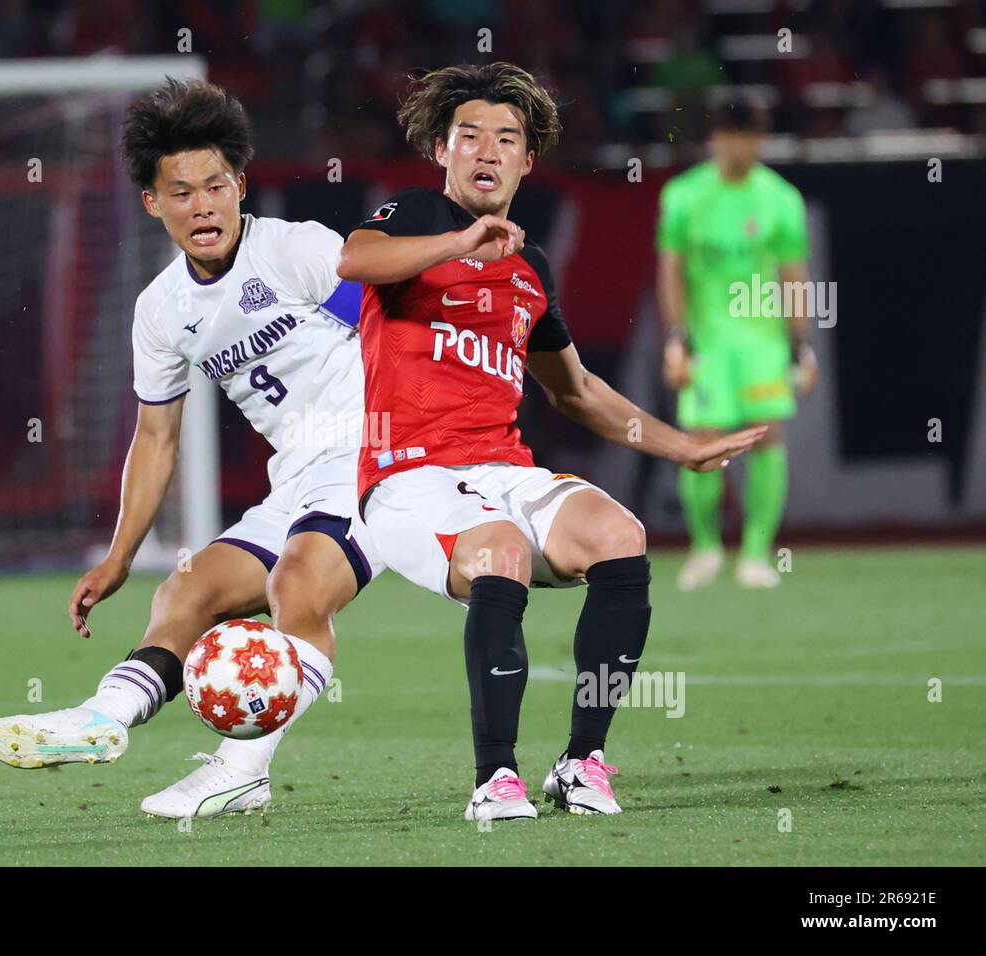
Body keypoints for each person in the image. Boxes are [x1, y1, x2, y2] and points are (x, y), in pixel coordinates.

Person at [338, 62, 764, 819]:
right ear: (442, 149)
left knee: (619, 535)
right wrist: (458, 242)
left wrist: (685, 448)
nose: (487, 151)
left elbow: (575, 392)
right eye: (469, 136)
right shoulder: (407, 217)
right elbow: (354, 261)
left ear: (527, 161)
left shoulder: (530, 268)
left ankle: (580, 762)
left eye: (507, 139)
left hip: (501, 469)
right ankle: (493, 778)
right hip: (406, 477)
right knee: (500, 546)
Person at [0, 78, 381, 818]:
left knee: (299, 587)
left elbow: (394, 323)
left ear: (240, 187)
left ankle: (242, 768)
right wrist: (120, 554)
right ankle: (101, 718)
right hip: (296, 479)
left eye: (217, 186)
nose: (204, 205)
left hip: (376, 460)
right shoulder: (161, 310)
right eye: (183, 191)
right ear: (152, 204)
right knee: (186, 591)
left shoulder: (295, 251)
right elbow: (156, 439)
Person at [657, 98, 817, 590]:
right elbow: (671, 271)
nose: (738, 146)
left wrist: (801, 346)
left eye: (747, 137)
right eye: (729, 136)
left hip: (764, 341)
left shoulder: (781, 198)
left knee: (767, 436)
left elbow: (793, 274)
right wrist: (676, 340)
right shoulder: (683, 195)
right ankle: (705, 548)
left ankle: (755, 554)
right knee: (703, 442)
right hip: (708, 341)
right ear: (715, 139)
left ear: (760, 141)